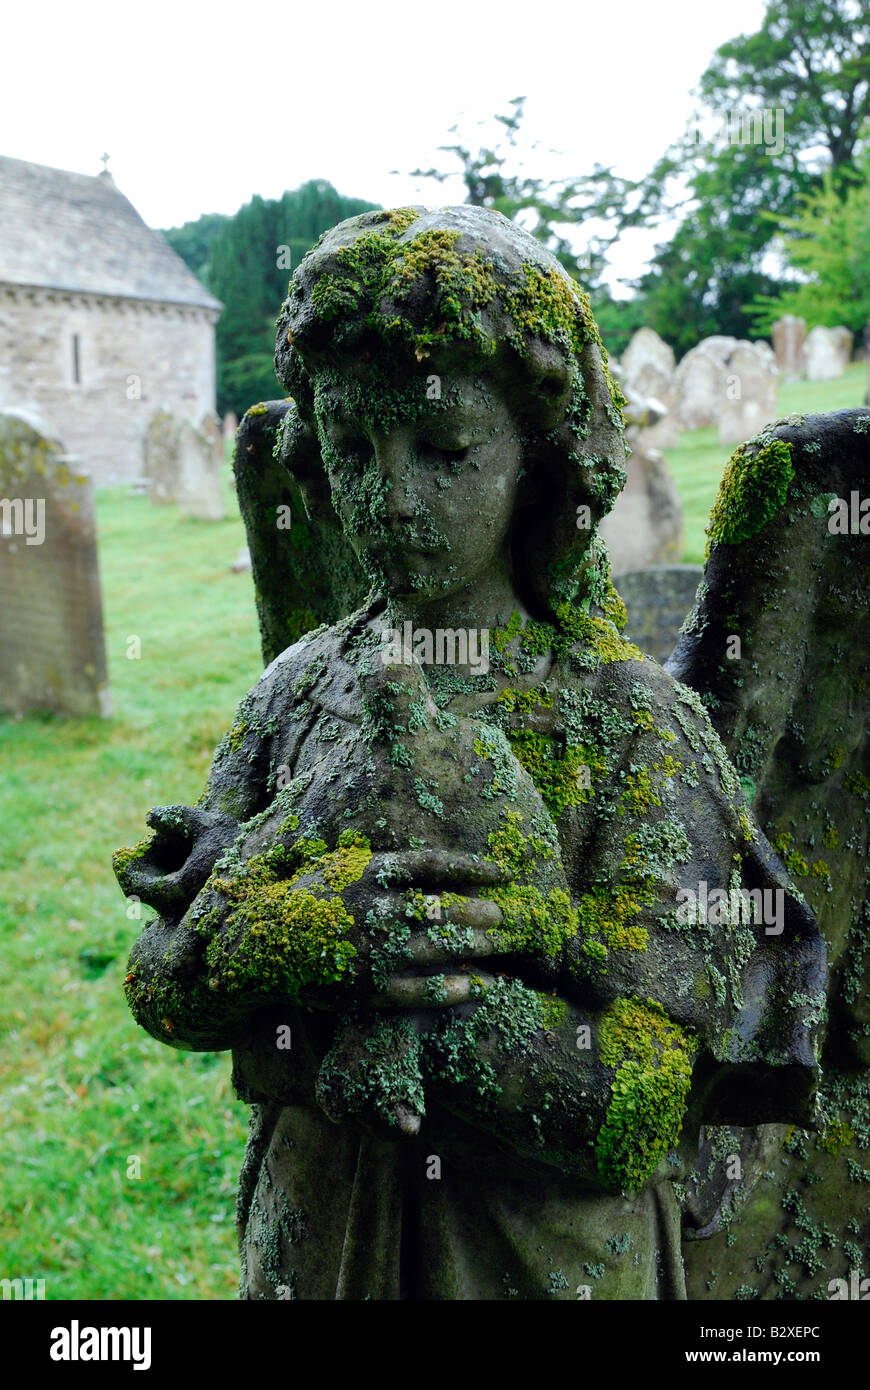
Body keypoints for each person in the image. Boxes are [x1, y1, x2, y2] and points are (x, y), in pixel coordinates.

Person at [115, 205, 825, 1299]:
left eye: (445, 451)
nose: (391, 497)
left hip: (539, 1257)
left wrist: (393, 1003)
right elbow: (165, 979)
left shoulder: (634, 729)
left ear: (539, 460)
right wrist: (293, 941)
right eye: (351, 447)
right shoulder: (297, 692)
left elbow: (635, 1100)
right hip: (321, 1242)